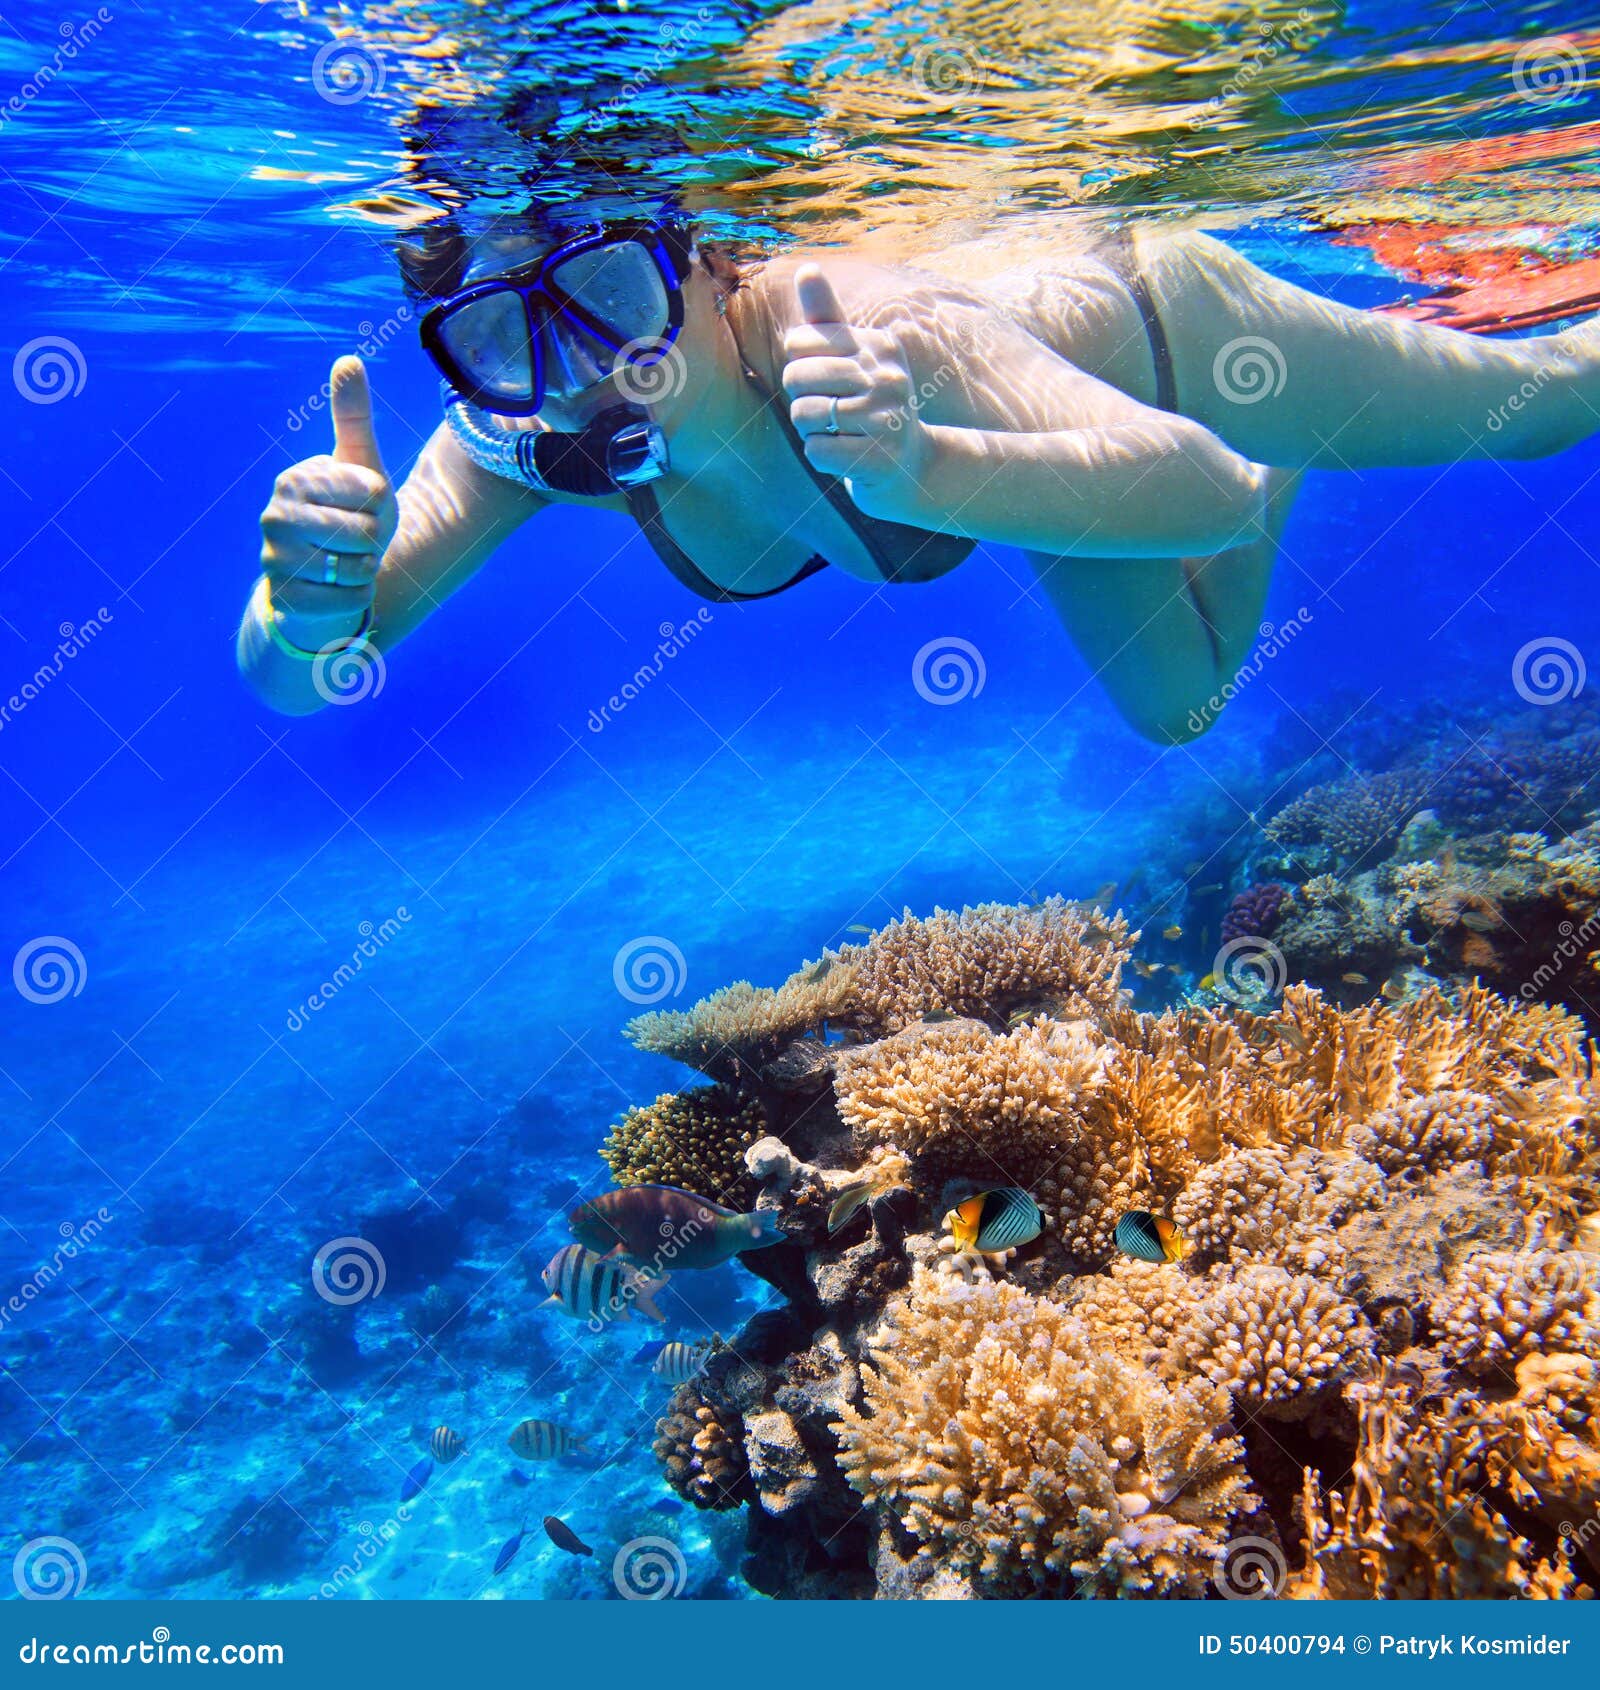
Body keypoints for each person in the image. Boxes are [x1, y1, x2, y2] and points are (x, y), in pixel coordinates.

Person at [239, 208, 1599, 741]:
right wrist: (296, 617)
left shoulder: (874, 327)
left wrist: (924, 461)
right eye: (498, 335)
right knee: (1178, 707)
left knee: (1544, 406)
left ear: (700, 261)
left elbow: (1203, 490)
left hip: (1162, 329)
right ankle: (1310, 435)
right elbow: (297, 680)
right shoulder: (525, 434)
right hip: (1063, 463)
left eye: (604, 291)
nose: (582, 364)